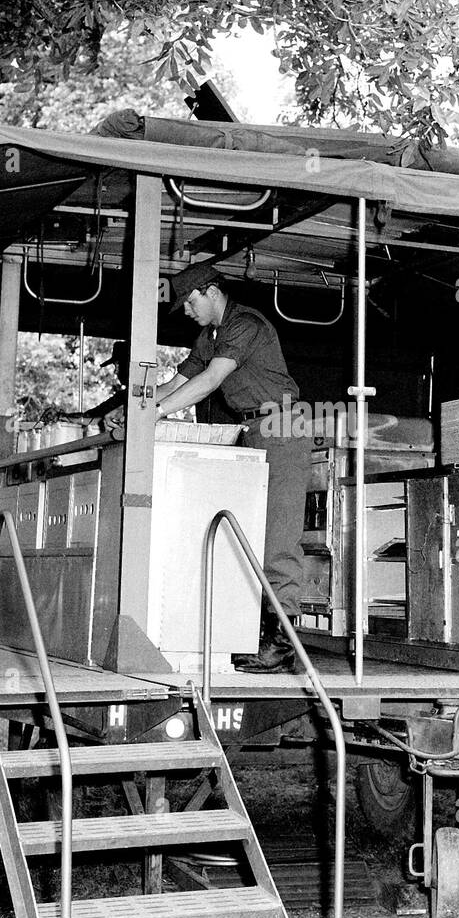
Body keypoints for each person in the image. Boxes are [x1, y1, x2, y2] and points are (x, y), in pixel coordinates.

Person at [155, 264, 312, 673]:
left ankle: (281, 643)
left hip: (281, 425)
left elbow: (209, 381)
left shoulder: (244, 323)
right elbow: (176, 383)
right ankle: (257, 633)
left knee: (276, 536)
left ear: (210, 291)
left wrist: (154, 414)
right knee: (249, 537)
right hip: (252, 429)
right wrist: (134, 408)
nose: (187, 311)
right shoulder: (211, 335)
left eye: (190, 301)